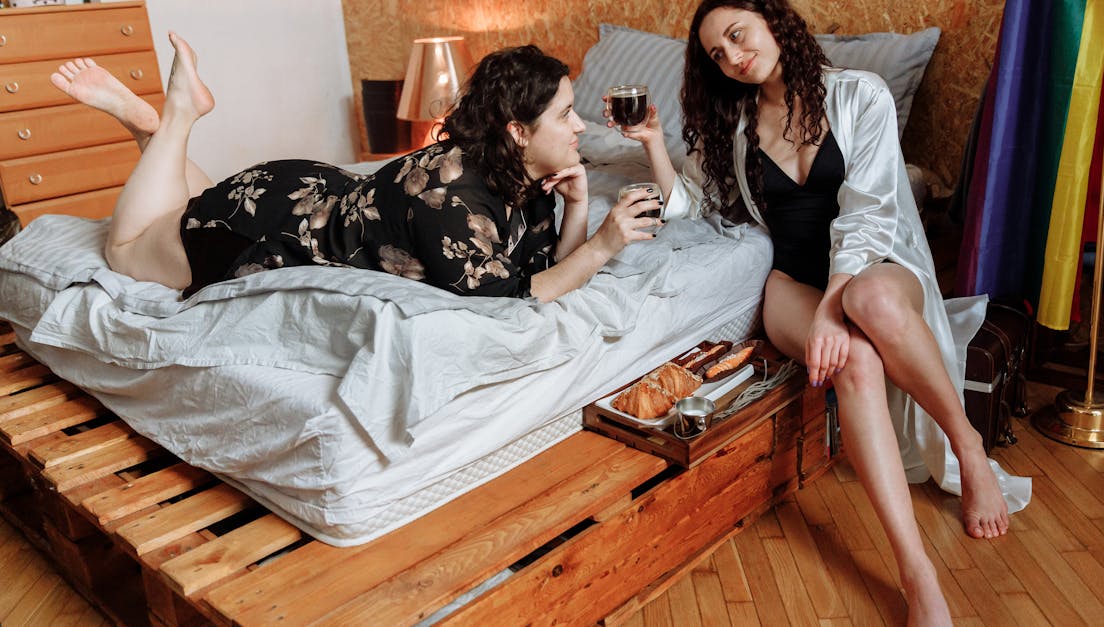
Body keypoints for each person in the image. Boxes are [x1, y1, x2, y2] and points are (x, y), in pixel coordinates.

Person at [614, 1, 1030, 624]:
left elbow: (867, 213)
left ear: (773, 21)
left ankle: (966, 445)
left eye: (736, 35)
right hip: (792, 281)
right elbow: (696, 202)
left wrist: (835, 308)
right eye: (717, 55)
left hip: (874, 267)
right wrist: (651, 140)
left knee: (868, 301)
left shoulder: (861, 95)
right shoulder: (738, 127)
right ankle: (917, 575)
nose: (732, 57)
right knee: (855, 364)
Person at [49, 33, 663, 302]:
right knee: (126, 250)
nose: (581, 127)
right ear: (518, 131)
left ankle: (151, 129)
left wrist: (582, 207)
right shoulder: (450, 198)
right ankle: (178, 115)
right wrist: (606, 243)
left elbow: (548, 266)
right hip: (262, 231)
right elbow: (518, 294)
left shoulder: (520, 176)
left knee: (187, 206)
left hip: (297, 192)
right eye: (568, 114)